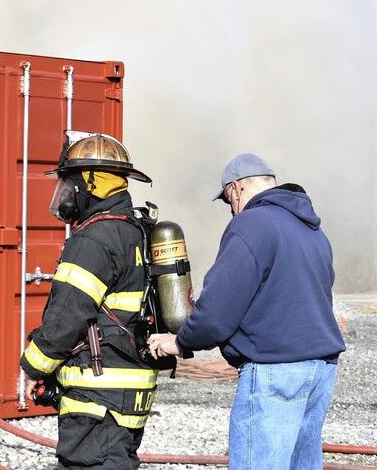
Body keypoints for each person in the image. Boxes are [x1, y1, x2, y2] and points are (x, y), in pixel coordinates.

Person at [147, 152, 345, 470]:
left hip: (275, 369)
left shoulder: (251, 224)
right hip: (321, 369)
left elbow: (219, 306)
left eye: (228, 202)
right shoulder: (311, 229)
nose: (232, 211)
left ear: (237, 189)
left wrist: (181, 341)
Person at [20, 131, 172, 470]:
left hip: (97, 396)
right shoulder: (134, 229)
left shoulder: (93, 239)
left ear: (90, 183)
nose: (64, 194)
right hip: (126, 392)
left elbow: (66, 315)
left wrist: (33, 366)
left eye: (69, 183)